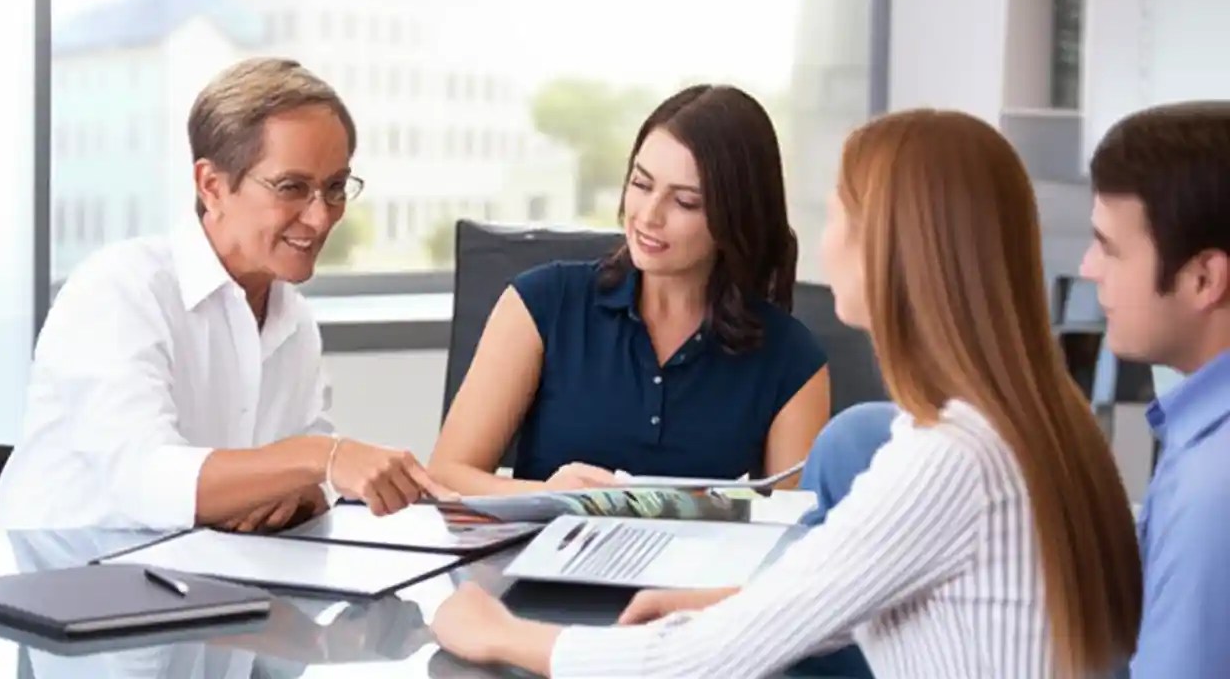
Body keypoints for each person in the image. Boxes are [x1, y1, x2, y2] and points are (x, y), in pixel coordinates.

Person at [429, 109, 1143, 678]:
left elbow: (704, 663)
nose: (826, 246)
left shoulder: (950, 457)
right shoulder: (1031, 423)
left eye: (839, 217)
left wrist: (508, 637)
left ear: (895, 253)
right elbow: (837, 593)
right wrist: (723, 608)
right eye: (643, 185)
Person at [0, 57, 451, 531]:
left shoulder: (291, 318)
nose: (321, 217)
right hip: (61, 585)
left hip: (198, 583)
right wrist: (320, 459)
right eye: (292, 187)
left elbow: (312, 484)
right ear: (211, 185)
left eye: (335, 187)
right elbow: (144, 480)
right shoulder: (119, 290)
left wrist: (302, 490)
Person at [428, 85, 830, 494]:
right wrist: (553, 497)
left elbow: (792, 530)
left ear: (737, 217)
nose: (649, 215)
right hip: (538, 554)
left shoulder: (792, 359)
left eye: (686, 202)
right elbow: (446, 476)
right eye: (641, 183)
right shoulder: (542, 302)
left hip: (699, 559)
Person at [1078, 101, 1230, 677]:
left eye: (1111, 247)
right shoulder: (1204, 441)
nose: (1090, 268)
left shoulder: (1215, 490)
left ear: (1202, 279)